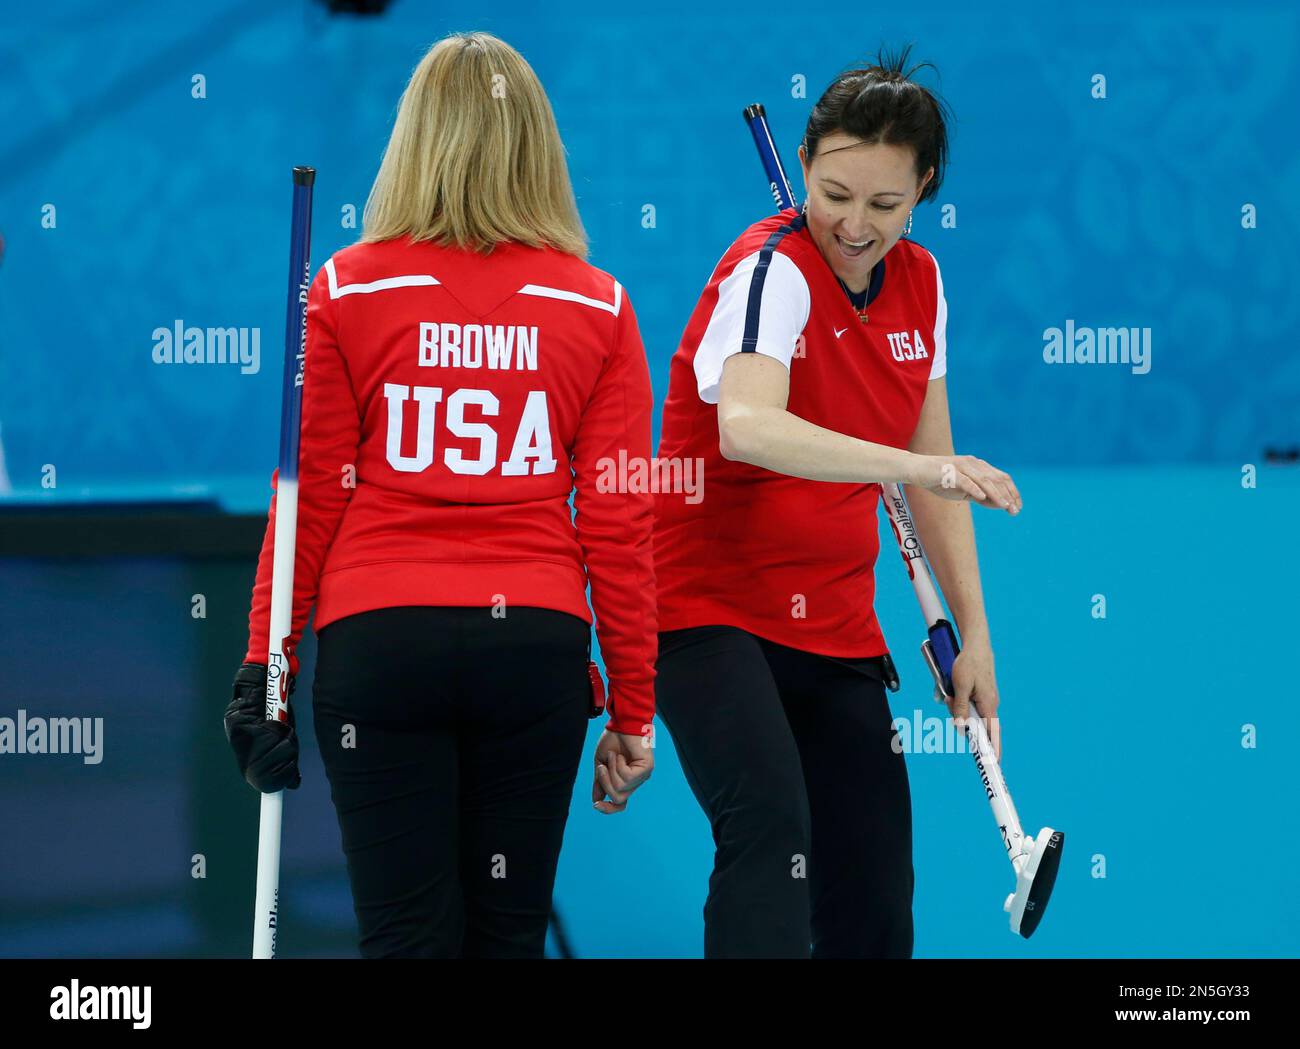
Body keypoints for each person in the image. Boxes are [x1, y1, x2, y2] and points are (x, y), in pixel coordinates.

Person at [223, 31, 656, 959]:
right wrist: (632, 712)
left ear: (413, 141)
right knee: (505, 939)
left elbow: (304, 501)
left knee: (407, 940)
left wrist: (263, 671)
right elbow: (620, 527)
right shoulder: (602, 307)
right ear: (539, 147)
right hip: (533, 654)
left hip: (380, 646)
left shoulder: (345, 286)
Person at [652, 46, 1022, 959]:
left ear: (924, 188)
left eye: (884, 204)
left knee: (872, 883)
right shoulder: (769, 271)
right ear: (806, 163)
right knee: (772, 830)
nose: (853, 223)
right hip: (709, 608)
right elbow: (747, 425)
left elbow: (932, 471)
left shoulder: (924, 287)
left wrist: (973, 636)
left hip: (835, 622)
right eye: (834, 192)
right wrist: (915, 466)